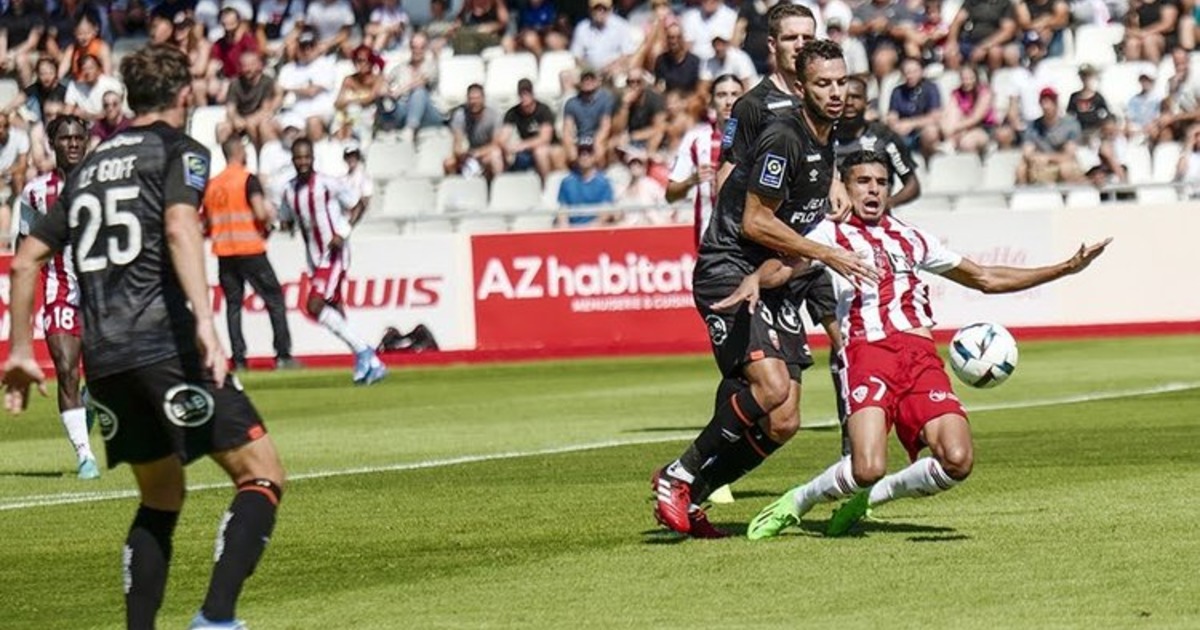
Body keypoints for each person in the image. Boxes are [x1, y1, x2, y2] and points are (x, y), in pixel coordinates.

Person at [2, 44, 286, 630]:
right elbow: (181, 224)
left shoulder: (90, 168)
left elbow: (27, 257)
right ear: (185, 94)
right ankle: (216, 618)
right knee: (261, 474)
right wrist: (207, 324)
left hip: (105, 360)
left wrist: (22, 351)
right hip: (166, 344)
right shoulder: (180, 150)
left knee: (161, 498)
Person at [744, 150, 1111, 539]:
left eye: (881, 183)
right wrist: (756, 278)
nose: (873, 191)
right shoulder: (828, 235)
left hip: (921, 359)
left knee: (958, 460)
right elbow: (784, 267)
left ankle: (869, 500)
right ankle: (796, 502)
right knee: (866, 467)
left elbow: (985, 278)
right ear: (846, 188)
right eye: (863, 182)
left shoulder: (914, 237)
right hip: (867, 354)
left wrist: (1065, 269)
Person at [651, 39, 876, 538]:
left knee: (785, 420)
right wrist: (827, 252)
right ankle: (678, 474)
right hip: (729, 267)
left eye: (841, 82)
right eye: (823, 84)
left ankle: (695, 496)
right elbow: (754, 222)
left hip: (773, 277)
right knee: (770, 388)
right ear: (801, 87)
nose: (836, 92)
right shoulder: (784, 137)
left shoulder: (824, 138)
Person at [11, 115, 99, 479]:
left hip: (101, 292)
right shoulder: (35, 192)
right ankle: (85, 456)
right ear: (53, 144)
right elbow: (24, 246)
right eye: (66, 139)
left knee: (107, 374)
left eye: (79, 138)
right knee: (66, 370)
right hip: (59, 288)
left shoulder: (102, 183)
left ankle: (92, 401)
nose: (74, 144)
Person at [279, 137, 387, 385]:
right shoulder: (289, 190)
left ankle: (364, 352)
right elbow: (286, 222)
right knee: (336, 310)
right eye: (298, 158)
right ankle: (372, 364)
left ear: (313, 158)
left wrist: (343, 232)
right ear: (293, 160)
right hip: (315, 260)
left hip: (334, 255)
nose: (303, 162)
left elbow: (358, 204)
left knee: (314, 305)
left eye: (307, 157)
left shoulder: (328, 184)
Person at [203, 137, 297, 372]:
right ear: (239, 152)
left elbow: (205, 221)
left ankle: (239, 359)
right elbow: (259, 211)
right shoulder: (247, 179)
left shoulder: (212, 184)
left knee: (233, 305)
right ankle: (283, 355)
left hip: (225, 252)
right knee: (274, 299)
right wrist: (267, 222)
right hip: (250, 249)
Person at [667, 74, 743, 246]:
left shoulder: (759, 136)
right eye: (722, 95)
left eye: (735, 94)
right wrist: (692, 180)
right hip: (710, 245)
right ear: (711, 101)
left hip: (749, 244)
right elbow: (671, 195)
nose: (729, 102)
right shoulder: (695, 138)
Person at [835, 76, 921, 209]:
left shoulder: (884, 136)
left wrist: (888, 203)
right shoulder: (823, 139)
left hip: (874, 221)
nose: (849, 103)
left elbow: (912, 184)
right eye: (844, 97)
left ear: (867, 103)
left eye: (856, 97)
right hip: (835, 217)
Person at [501, 78, 564, 180]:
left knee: (540, 152)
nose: (524, 97)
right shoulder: (512, 113)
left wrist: (522, 146)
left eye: (527, 93)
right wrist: (506, 147)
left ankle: (546, 186)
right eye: (522, 94)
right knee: (502, 155)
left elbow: (545, 138)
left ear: (532, 94)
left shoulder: (544, 110)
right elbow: (504, 135)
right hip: (526, 150)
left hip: (548, 146)